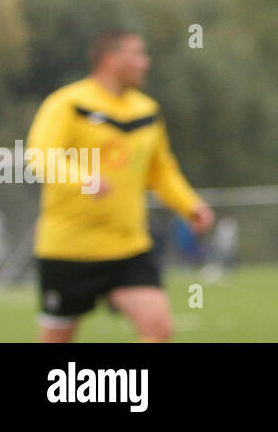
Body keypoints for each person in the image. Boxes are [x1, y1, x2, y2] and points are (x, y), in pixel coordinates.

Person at [24, 29, 213, 342]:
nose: (145, 62)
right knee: (56, 339)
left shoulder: (147, 111)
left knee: (159, 329)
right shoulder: (68, 103)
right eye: (137, 54)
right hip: (69, 249)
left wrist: (189, 205)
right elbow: (41, 155)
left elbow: (161, 171)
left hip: (128, 247)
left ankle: (127, 390)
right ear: (111, 59)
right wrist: (81, 179)